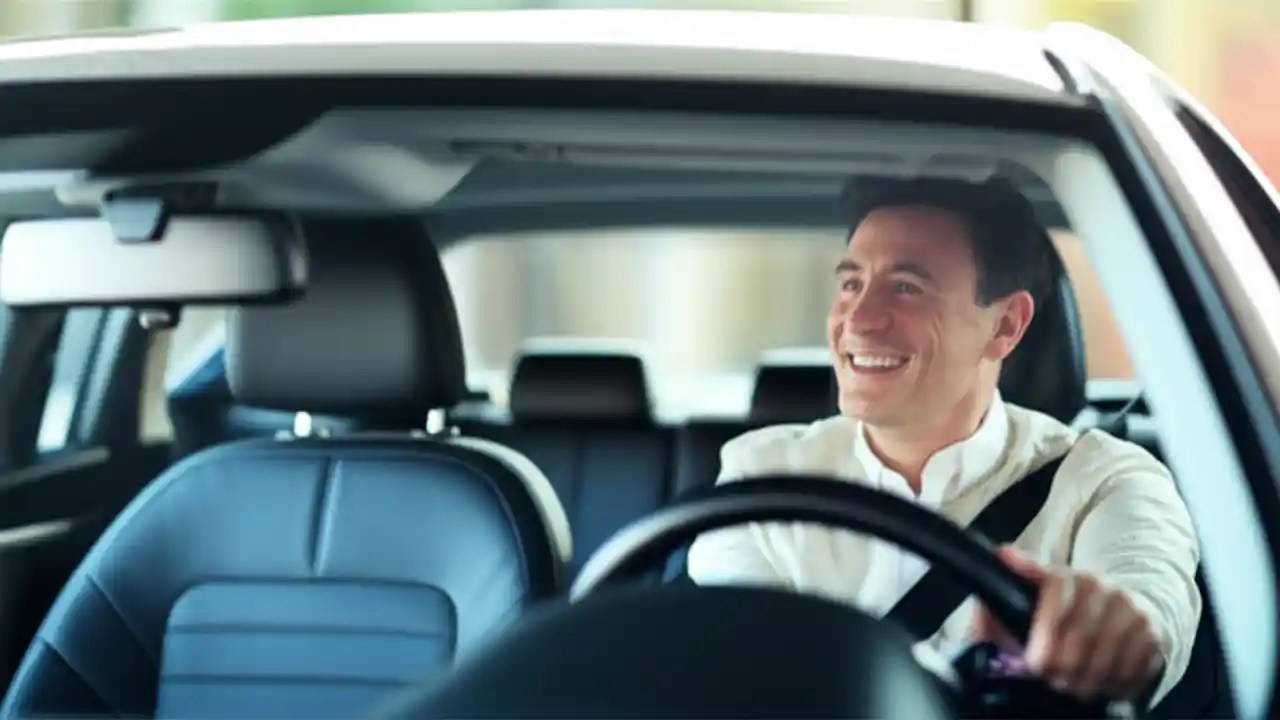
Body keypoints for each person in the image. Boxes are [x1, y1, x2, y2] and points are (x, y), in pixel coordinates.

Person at [686, 177, 1201, 707]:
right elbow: (746, 667)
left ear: (1005, 324)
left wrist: (1110, 634)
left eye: (906, 287)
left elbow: (1150, 605)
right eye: (850, 285)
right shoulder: (762, 476)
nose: (858, 320)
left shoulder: (1106, 481)